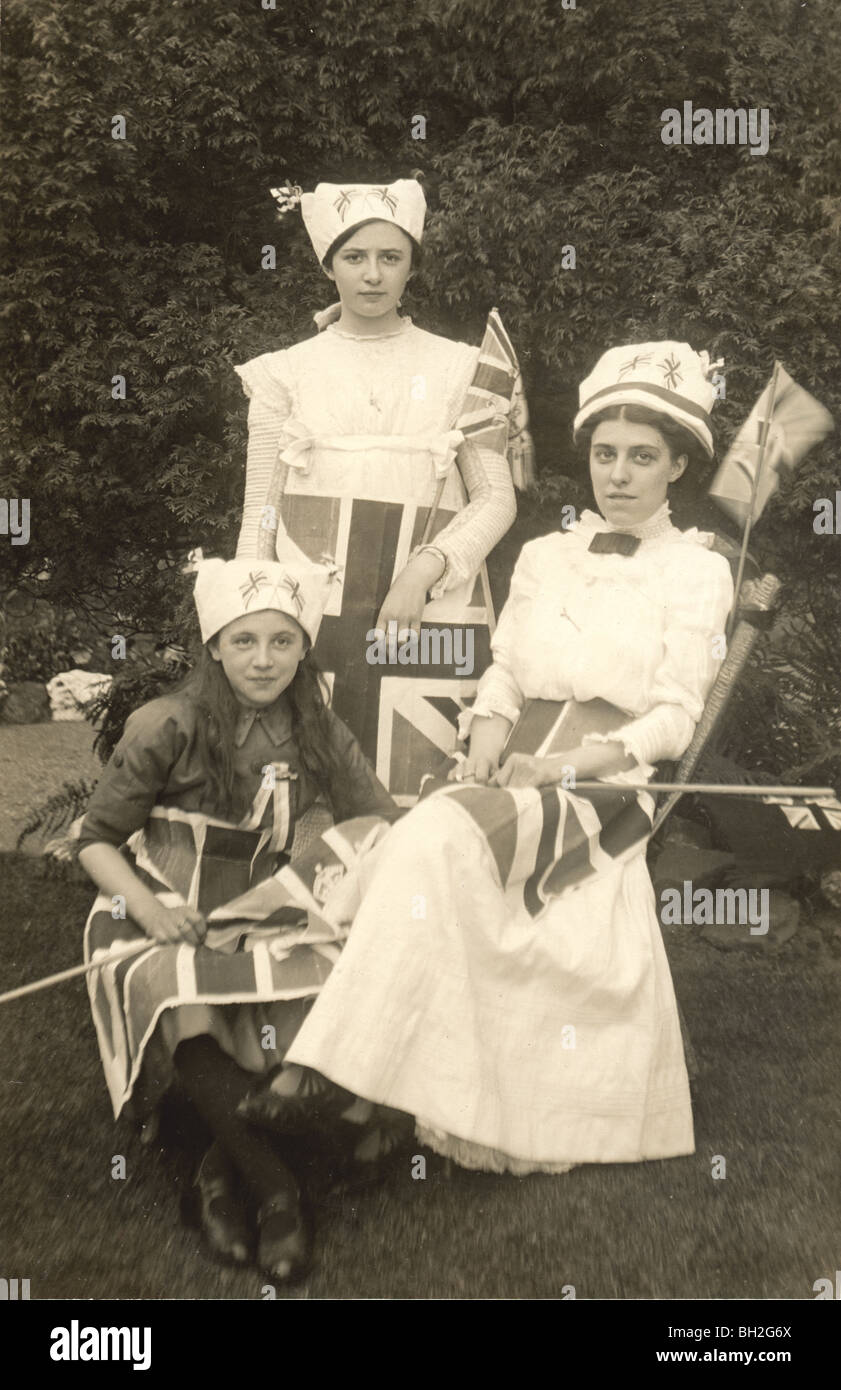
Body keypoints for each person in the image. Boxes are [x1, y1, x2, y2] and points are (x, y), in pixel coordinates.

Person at [235, 342, 735, 1176]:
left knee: (431, 840)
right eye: (605, 454)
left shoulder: (696, 571)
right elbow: (503, 674)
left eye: (641, 458)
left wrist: (564, 766)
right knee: (399, 840)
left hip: (604, 781)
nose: (617, 475)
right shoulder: (547, 555)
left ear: (676, 465)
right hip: (511, 765)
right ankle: (375, 1089)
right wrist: (484, 746)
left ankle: (317, 1071)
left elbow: (675, 720)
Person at [77, 556, 395, 1282]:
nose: (263, 659)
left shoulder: (316, 725)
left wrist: (314, 882)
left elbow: (378, 819)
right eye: (244, 641)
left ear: (302, 649)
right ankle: (280, 1196)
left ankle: (211, 1171)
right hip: (155, 899)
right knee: (190, 1007)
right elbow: (94, 842)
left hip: (262, 907)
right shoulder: (165, 722)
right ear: (214, 646)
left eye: (282, 642)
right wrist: (153, 911)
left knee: (296, 1033)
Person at [235, 178, 530, 799]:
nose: (373, 275)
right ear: (328, 266)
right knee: (302, 793)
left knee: (425, 797)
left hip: (429, 612)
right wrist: (252, 618)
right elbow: (259, 515)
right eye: (355, 257)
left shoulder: (460, 366)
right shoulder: (284, 372)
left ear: (411, 266)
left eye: (390, 257)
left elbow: (497, 498)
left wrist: (426, 569)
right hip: (314, 619)